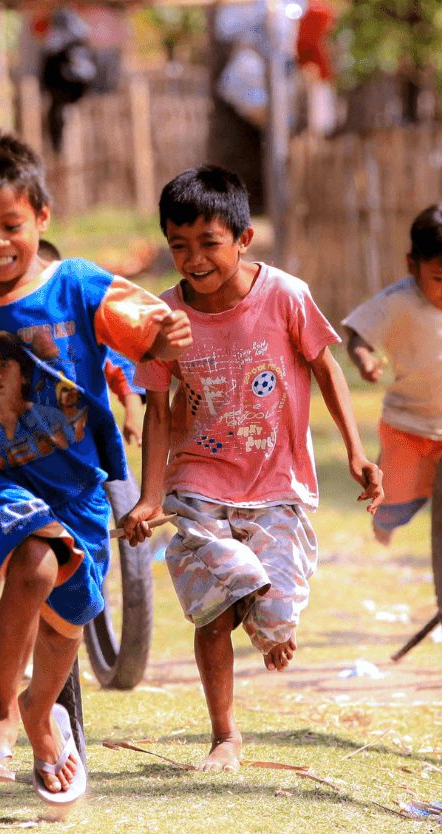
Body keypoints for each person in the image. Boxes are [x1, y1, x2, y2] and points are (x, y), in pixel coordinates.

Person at [0, 129, 189, 802]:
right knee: (33, 563)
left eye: (11, 226)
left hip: (80, 482)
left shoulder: (78, 285)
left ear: (42, 217)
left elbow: (152, 326)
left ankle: (38, 711)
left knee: (67, 621)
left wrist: (167, 334)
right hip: (0, 474)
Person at [120, 165, 384, 772]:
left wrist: (355, 450)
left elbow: (326, 368)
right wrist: (150, 495)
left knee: (276, 607)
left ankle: (272, 620)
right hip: (199, 480)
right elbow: (156, 411)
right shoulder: (164, 319)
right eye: (178, 246)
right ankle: (225, 736)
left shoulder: (285, 296)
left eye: (208, 244)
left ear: (242, 239)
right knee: (219, 605)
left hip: (277, 481)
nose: (193, 259)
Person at [0, 238, 146, 662]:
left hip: (70, 462)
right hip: (12, 460)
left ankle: (49, 629)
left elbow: (122, 370)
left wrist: (132, 410)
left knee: (66, 564)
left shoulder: (80, 311)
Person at [340, 200, 442, 554]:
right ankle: (382, 527)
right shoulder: (398, 301)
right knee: (393, 511)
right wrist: (365, 360)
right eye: (438, 278)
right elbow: (358, 336)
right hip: (408, 428)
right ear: (413, 266)